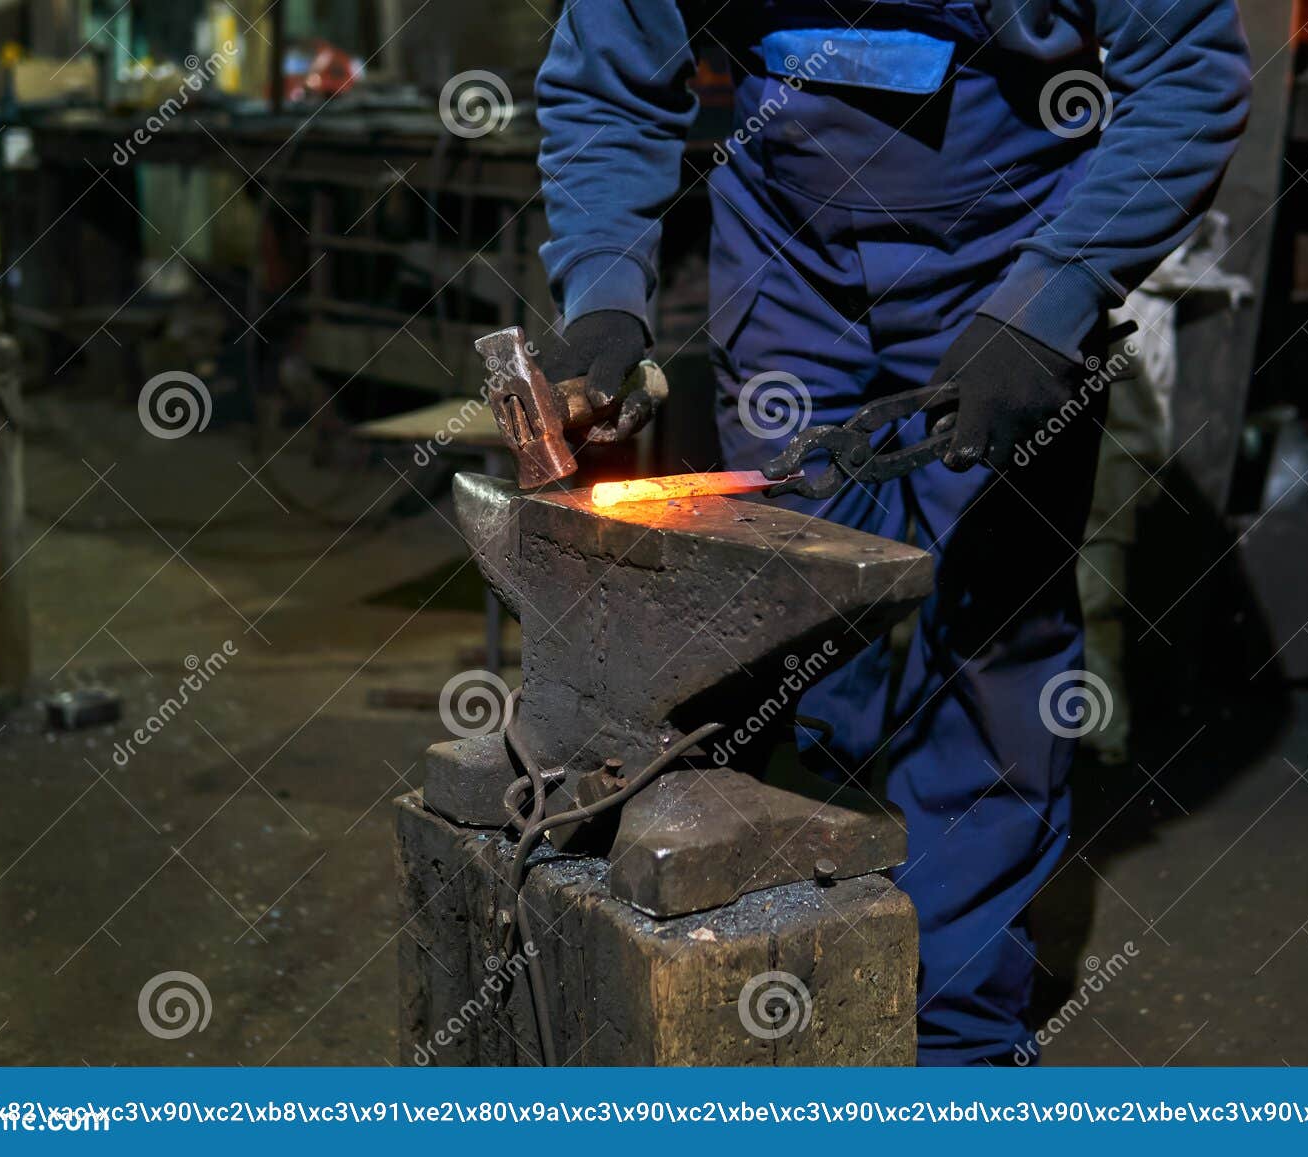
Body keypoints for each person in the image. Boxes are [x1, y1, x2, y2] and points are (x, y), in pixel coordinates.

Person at [531, 0, 1251, 1064]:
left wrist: (1049, 302)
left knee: (992, 643)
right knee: (795, 622)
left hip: (1009, 248)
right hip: (788, 260)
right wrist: (602, 291)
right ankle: (815, 956)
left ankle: (959, 1033)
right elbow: (604, 81)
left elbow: (1190, 75)